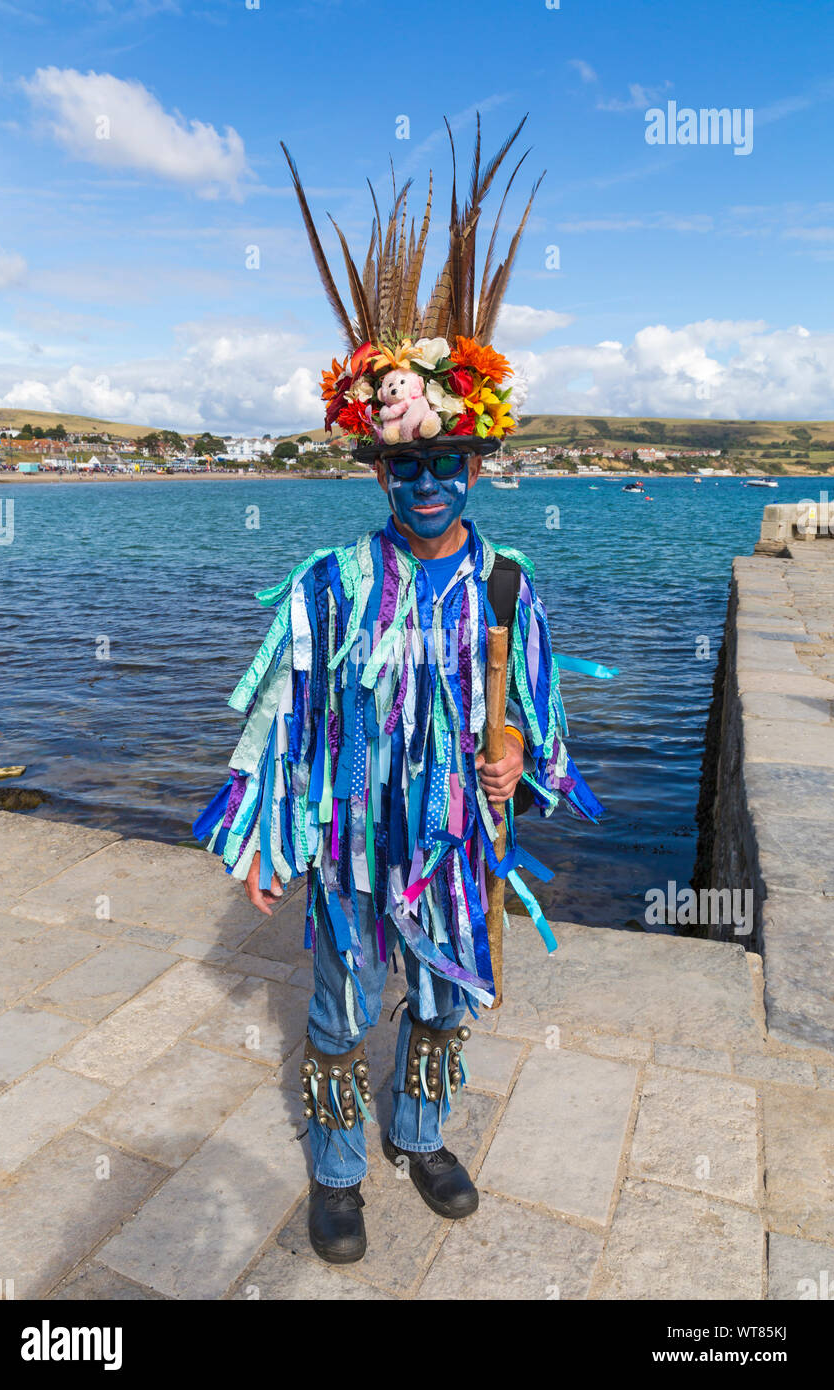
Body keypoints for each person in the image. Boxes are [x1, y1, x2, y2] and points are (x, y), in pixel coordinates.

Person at [194, 116, 609, 1265]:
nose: (423, 484)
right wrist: (269, 837)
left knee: (440, 996)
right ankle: (335, 1170)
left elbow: (533, 710)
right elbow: (284, 720)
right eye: (401, 465)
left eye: (442, 464)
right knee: (333, 1006)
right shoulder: (329, 583)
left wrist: (516, 754)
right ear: (377, 465)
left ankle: (418, 1133)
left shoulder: (510, 584)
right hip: (345, 835)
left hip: (457, 841)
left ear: (472, 462)